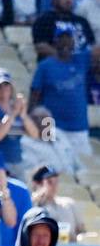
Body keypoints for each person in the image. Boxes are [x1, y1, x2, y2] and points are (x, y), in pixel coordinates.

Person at [30, 25, 94, 160]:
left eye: (68, 38)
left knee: (84, 169)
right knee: (53, 165)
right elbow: (34, 95)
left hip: (80, 128)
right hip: (53, 127)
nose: (65, 42)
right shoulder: (45, 66)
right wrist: (32, 120)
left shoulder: (81, 60)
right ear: (55, 41)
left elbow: (97, 51)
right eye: (61, 38)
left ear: (73, 42)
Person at [31, 166, 87, 238]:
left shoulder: (69, 204)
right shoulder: (31, 205)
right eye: (49, 182)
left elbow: (82, 231)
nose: (55, 186)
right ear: (38, 184)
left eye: (56, 181)